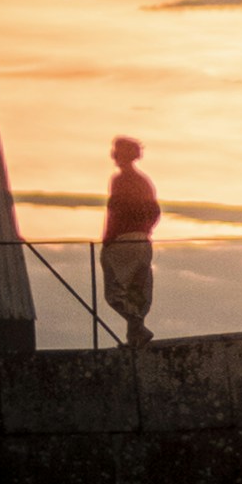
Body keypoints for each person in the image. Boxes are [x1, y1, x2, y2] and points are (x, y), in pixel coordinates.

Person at [101, 135, 160, 344]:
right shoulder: (144, 181)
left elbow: (115, 212)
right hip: (142, 240)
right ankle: (135, 333)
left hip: (122, 240)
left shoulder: (119, 181)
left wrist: (108, 239)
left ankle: (136, 326)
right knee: (137, 288)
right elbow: (155, 211)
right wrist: (145, 231)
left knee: (115, 291)